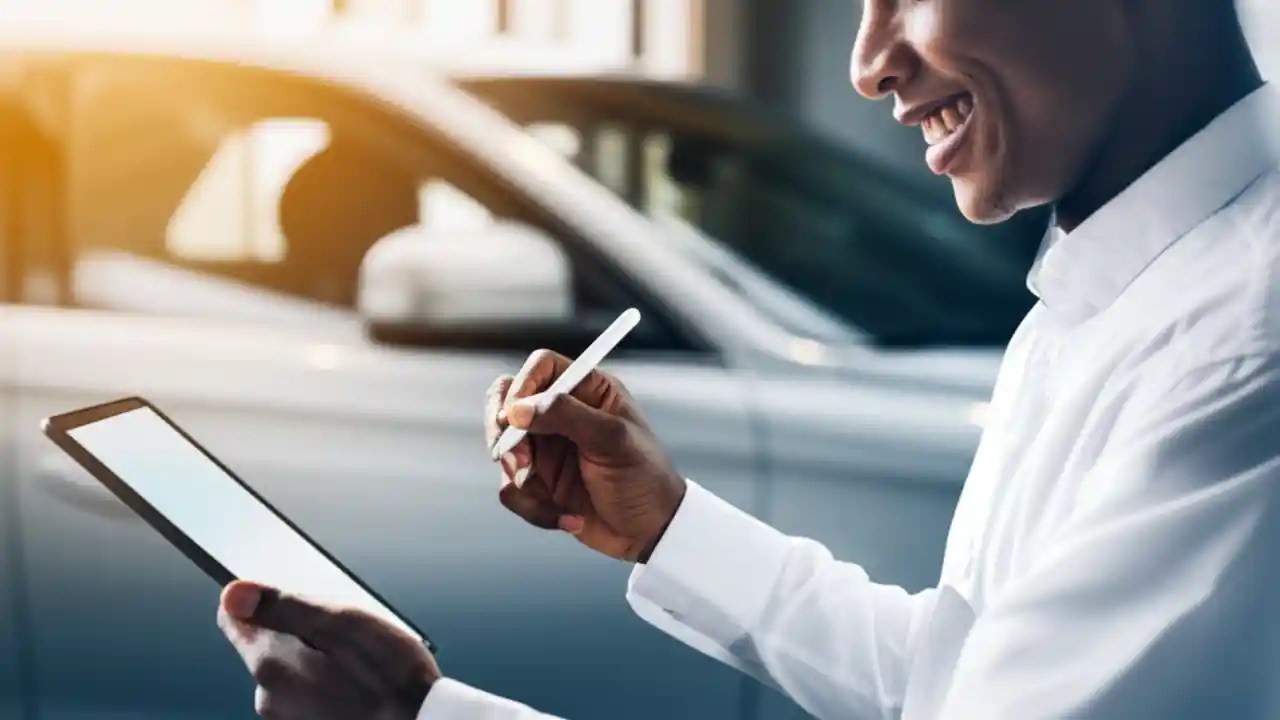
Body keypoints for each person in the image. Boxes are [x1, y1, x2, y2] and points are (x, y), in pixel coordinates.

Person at [217, 0, 1280, 717]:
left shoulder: (1242, 349)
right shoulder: (1111, 293)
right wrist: (667, 524)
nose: (869, 63)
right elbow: (955, 679)